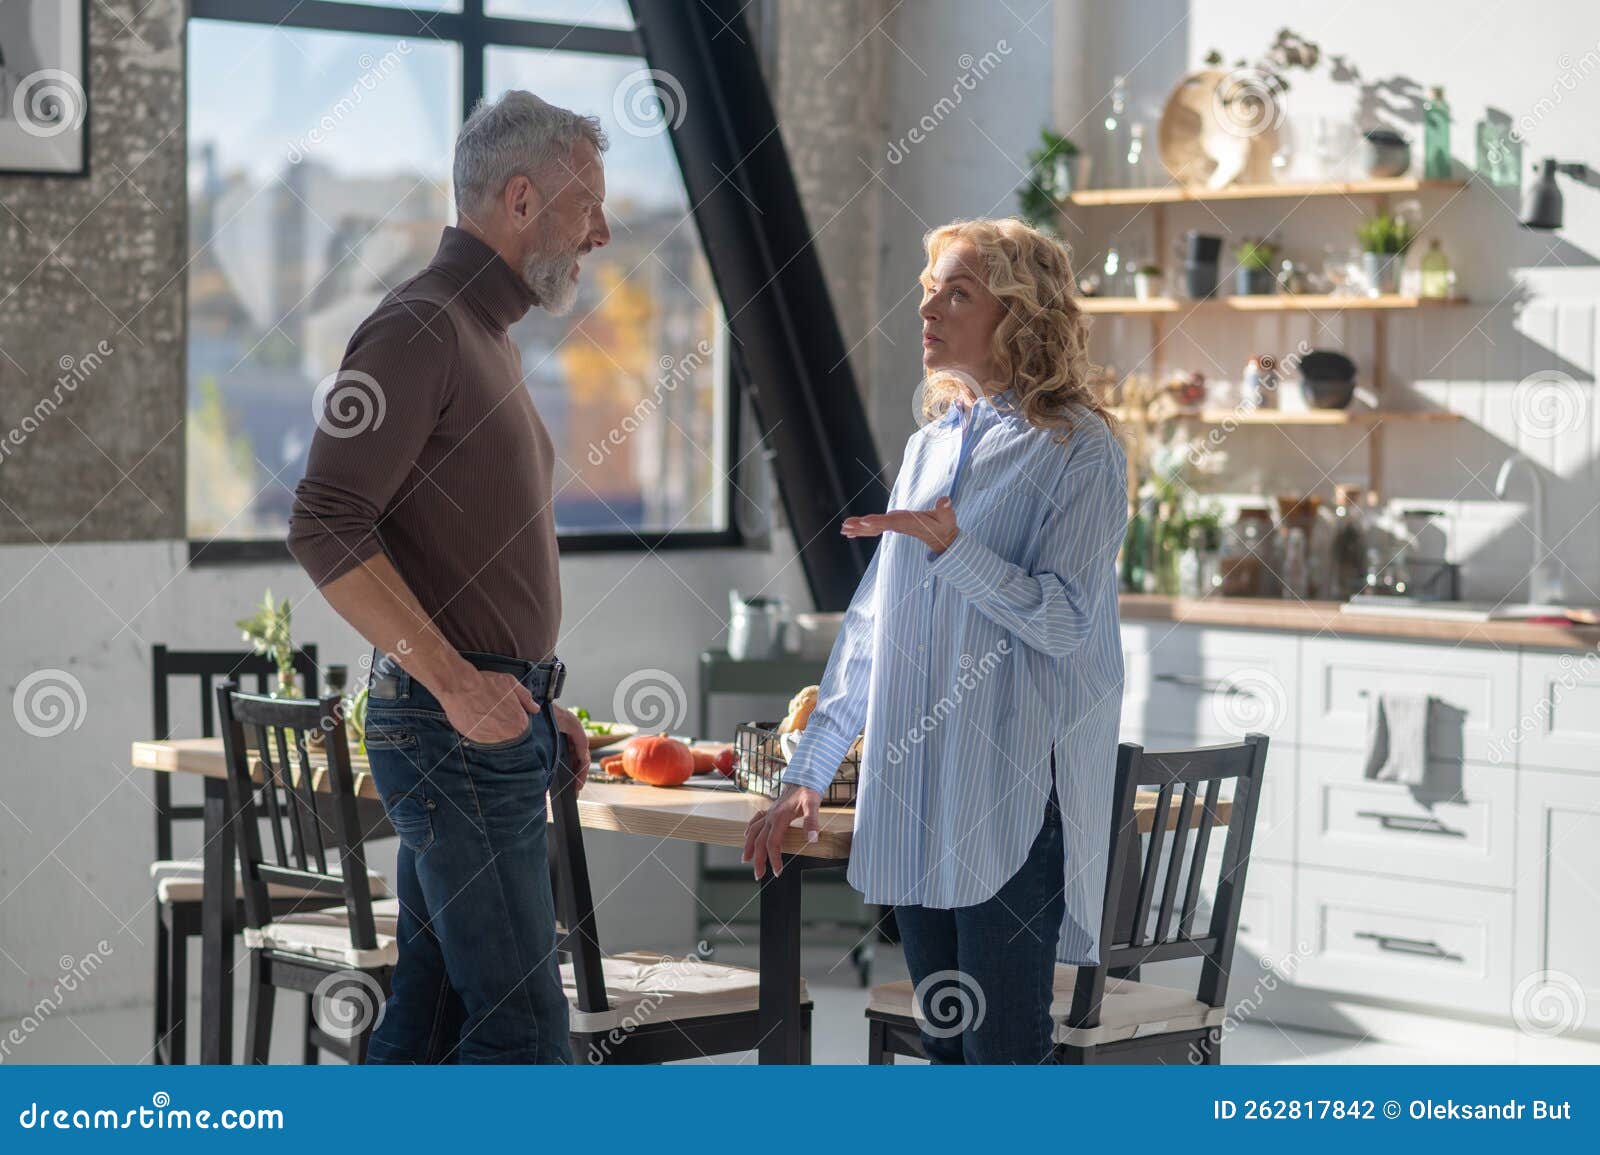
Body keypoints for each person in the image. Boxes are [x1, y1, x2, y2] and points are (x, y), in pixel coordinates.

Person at [742, 217, 1127, 1064]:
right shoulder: (930, 445)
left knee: (1001, 1060)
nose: (929, 311)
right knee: (948, 1053)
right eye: (928, 292)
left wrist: (955, 550)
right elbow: (872, 631)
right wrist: (807, 772)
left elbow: (1065, 622)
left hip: (1014, 800)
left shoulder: (1080, 450)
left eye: (958, 293)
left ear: (1021, 314)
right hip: (920, 795)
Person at [286, 91, 607, 1064]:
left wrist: (527, 690)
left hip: (483, 727)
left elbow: (469, 562)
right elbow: (324, 521)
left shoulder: (485, 334)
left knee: (427, 1021)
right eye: (585, 203)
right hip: (450, 735)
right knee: (521, 1034)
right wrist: (461, 683)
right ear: (520, 198)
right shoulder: (419, 326)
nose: (601, 230)